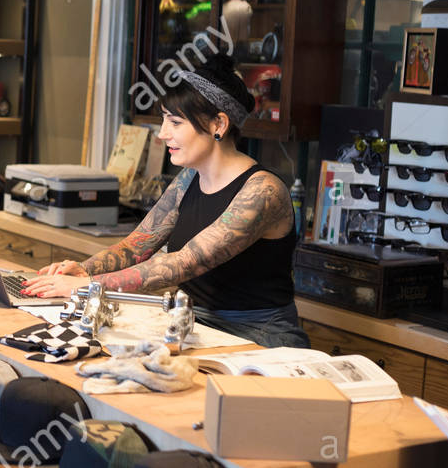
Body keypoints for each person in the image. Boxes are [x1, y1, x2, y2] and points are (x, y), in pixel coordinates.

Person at [21, 54, 310, 349]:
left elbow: (184, 263)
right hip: (193, 324)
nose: (162, 133)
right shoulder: (189, 178)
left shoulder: (263, 191)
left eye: (174, 122)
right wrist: (86, 269)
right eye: (163, 120)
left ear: (218, 124)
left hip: (257, 336)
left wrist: (88, 286)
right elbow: (139, 243)